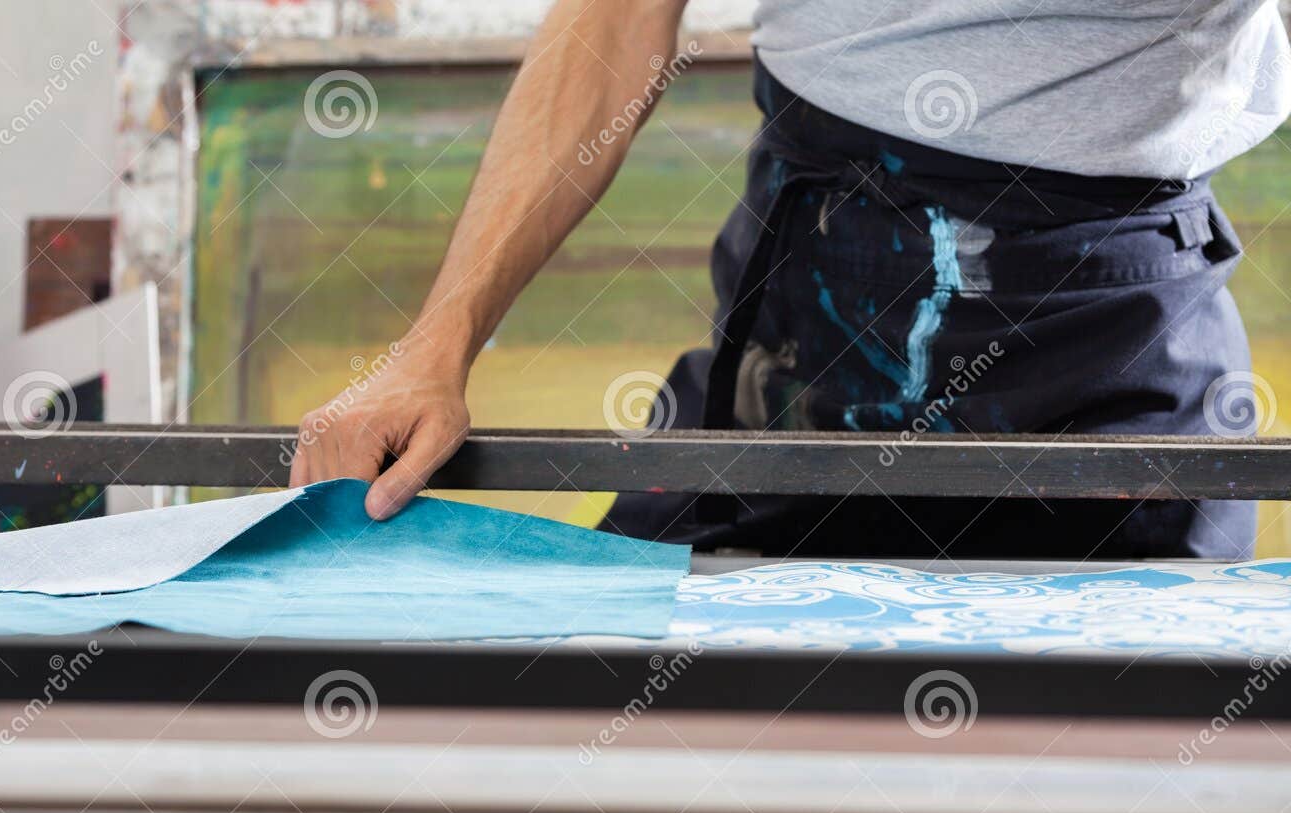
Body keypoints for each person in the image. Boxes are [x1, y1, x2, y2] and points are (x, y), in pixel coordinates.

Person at [288, 0, 1291, 559]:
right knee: (593, 800)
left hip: (1114, 360)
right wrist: (433, 349)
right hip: (804, 343)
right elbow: (616, 20)